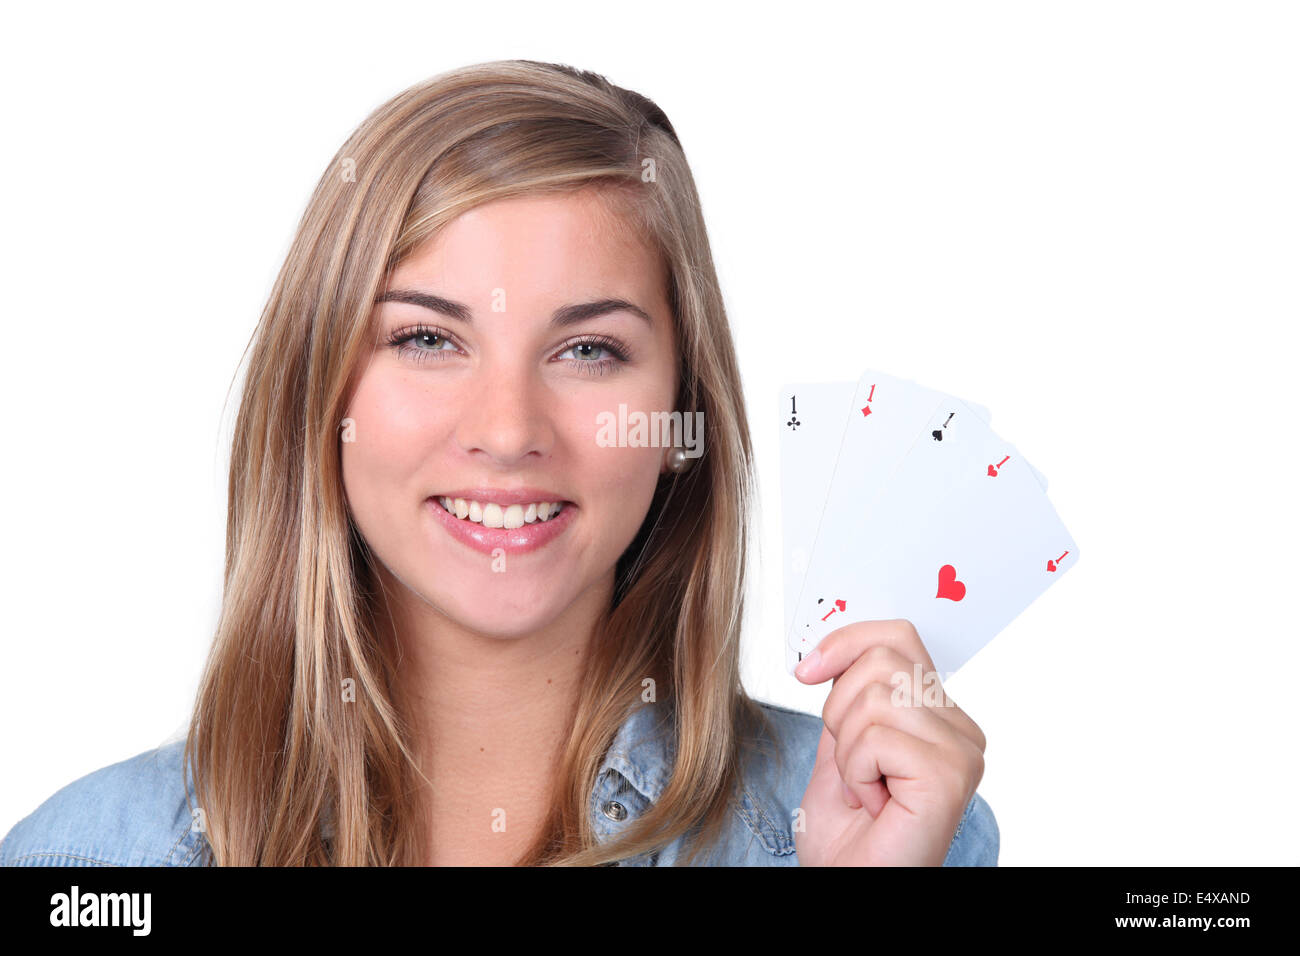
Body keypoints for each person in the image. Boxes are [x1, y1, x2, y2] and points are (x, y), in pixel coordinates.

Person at [0, 60, 997, 867]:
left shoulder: (880, 825)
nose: (509, 428)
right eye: (428, 340)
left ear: (678, 417)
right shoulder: (83, 858)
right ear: (320, 393)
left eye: (587, 349)